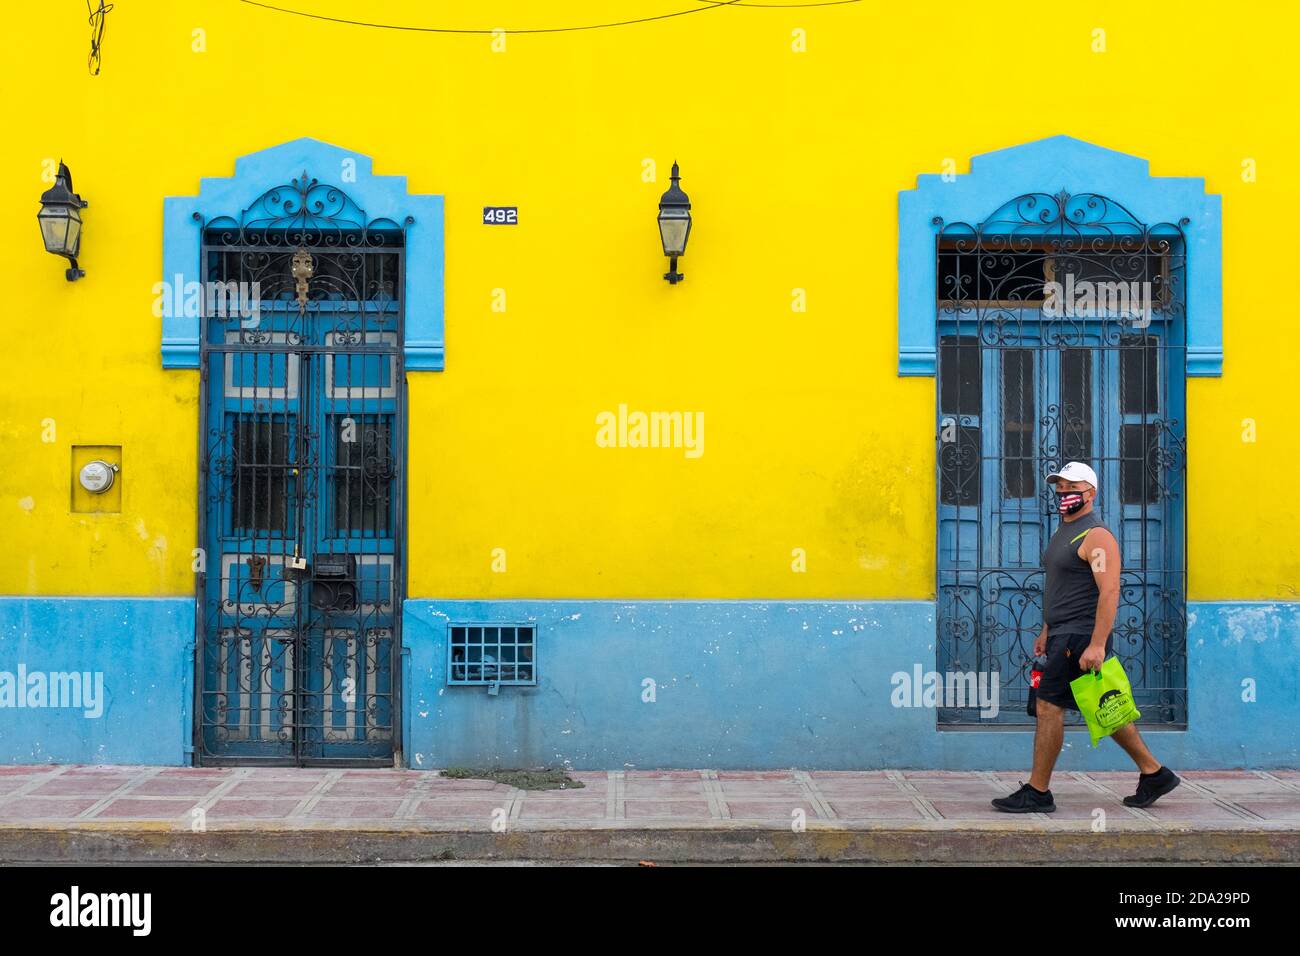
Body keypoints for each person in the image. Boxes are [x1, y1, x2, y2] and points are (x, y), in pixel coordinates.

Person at [992, 461, 1180, 812]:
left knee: (1049, 706)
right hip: (1063, 635)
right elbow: (1060, 586)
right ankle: (1154, 772)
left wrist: (1096, 644)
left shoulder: (1096, 535)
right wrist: (1047, 629)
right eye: (1059, 486)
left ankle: (1038, 792)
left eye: (1072, 486)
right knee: (1104, 706)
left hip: (1081, 637)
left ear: (1090, 493)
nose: (1064, 492)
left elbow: (1108, 592)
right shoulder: (1064, 530)